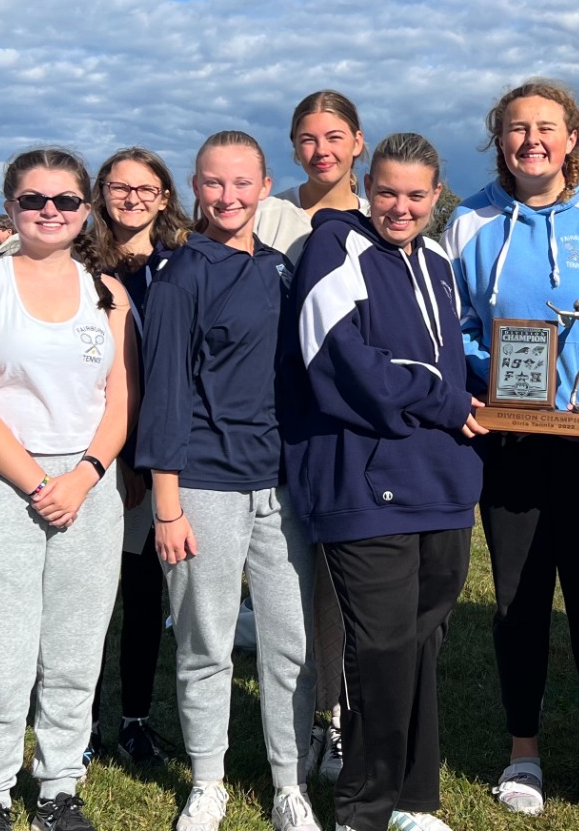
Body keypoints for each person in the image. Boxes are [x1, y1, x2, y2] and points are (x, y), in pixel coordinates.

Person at [442, 78, 579, 815]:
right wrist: (482, 384)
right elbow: (456, 323)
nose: (532, 140)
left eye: (546, 128)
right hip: (513, 436)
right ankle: (523, 752)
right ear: (499, 138)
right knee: (518, 599)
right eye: (516, 128)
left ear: (572, 139)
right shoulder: (468, 221)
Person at [283, 132, 487, 831]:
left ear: (437, 196)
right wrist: (448, 402)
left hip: (444, 481)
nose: (400, 207)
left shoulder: (436, 259)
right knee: (381, 649)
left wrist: (534, 399)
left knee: (424, 643)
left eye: (416, 195)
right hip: (363, 486)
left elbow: (458, 361)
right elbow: (343, 363)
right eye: (387, 191)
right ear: (367, 185)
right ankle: (364, 810)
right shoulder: (331, 248)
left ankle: (414, 799)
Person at [0, 148, 137, 831]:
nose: (48, 212)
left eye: (64, 201)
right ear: (12, 205)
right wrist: (38, 481)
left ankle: (58, 785)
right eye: (33, 200)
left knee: (75, 650)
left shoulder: (106, 291)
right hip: (2, 483)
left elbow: (120, 400)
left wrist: (83, 477)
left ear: (85, 209)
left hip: (88, 485)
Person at [139, 131, 321, 831]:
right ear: (195, 186)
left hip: (282, 486)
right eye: (214, 184)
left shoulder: (282, 268)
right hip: (204, 485)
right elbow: (165, 393)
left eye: (242, 183)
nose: (228, 197)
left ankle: (289, 782)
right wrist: (167, 504)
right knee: (207, 642)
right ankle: (208, 781)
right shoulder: (183, 273)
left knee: (289, 642)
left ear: (265, 185)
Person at [254, 90, 371, 783]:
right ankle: (294, 722)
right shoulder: (269, 212)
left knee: (340, 583)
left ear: (358, 141)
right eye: (307, 138)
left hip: (344, 424)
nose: (321, 150)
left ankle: (336, 720)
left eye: (334, 137)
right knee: (286, 579)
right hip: (270, 416)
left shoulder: (377, 213)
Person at [83, 146, 193, 768]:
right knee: (93, 595)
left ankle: (135, 719)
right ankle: (85, 722)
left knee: (145, 593)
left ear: (164, 196)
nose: (132, 198)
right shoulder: (79, 262)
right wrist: (114, 457)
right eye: (120, 187)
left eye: (145, 188)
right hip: (99, 451)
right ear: (102, 193)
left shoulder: (179, 264)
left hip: (160, 453)